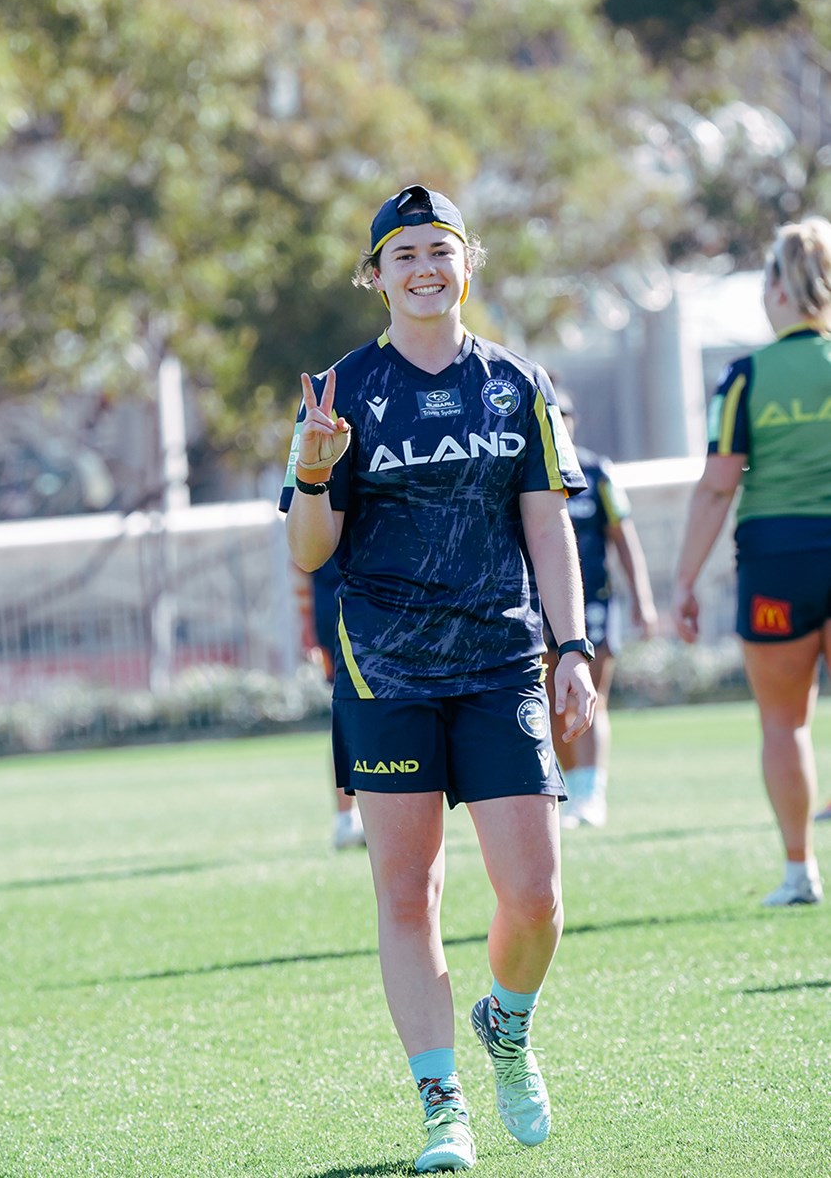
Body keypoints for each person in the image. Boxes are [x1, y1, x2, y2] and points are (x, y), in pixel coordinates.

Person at [279, 185, 596, 1173]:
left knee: (535, 897)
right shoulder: (339, 390)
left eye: (438, 249)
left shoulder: (517, 384)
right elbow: (307, 548)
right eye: (403, 253)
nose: (423, 267)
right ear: (375, 276)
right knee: (408, 891)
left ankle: (506, 1020)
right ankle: (441, 1105)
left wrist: (573, 648)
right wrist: (316, 470)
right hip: (387, 674)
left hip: (499, 665)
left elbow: (546, 520)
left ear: (467, 263)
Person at [671, 216, 831, 908]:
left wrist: (683, 581)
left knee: (784, 723)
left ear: (777, 288)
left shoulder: (744, 377)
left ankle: (799, 872)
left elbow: (716, 486)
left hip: (777, 563)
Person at [542, 392, 659, 828]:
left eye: (565, 414)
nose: (560, 422)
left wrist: (643, 600)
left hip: (593, 603)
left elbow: (624, 538)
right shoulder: (527, 471)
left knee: (591, 694)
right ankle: (573, 788)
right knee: (553, 701)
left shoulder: (596, 471)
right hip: (540, 605)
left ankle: (593, 793)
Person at [311, 556, 366, 849]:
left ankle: (361, 818)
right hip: (340, 610)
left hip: (377, 606)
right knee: (346, 715)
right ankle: (346, 818)